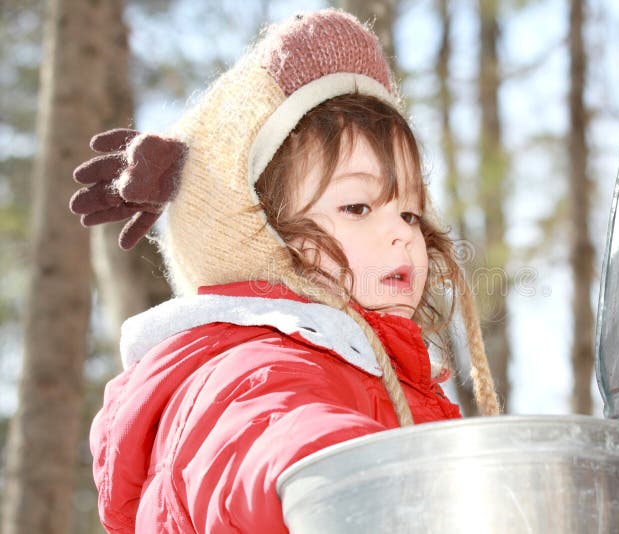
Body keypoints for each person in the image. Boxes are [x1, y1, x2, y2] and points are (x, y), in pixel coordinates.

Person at [70, 9, 500, 533]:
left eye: (409, 212)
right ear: (261, 231)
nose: (404, 234)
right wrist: (356, 476)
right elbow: (275, 439)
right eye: (358, 208)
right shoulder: (247, 368)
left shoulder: (371, 372)